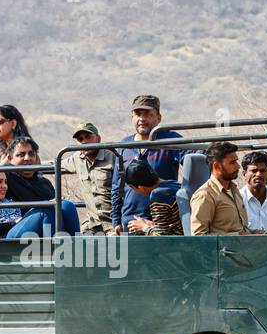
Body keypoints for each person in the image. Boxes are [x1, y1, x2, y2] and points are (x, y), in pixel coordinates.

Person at [0, 136, 80, 234]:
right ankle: (57, 253)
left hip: (32, 223)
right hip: (18, 227)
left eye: (31, 153)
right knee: (45, 211)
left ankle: (76, 247)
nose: (27, 158)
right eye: (21, 154)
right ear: (9, 158)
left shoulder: (44, 183)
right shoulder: (8, 175)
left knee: (66, 205)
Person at [110, 95, 185, 235]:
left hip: (161, 221)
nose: (142, 119)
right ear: (132, 117)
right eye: (138, 114)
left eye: (148, 114)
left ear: (158, 118)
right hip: (130, 221)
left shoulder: (169, 139)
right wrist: (116, 220)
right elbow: (116, 185)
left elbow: (195, 158)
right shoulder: (124, 145)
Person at [189, 141, 251, 236]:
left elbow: (240, 229)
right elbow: (199, 237)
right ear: (217, 166)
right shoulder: (205, 195)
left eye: (236, 161)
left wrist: (254, 233)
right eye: (232, 162)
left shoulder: (234, 190)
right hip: (226, 250)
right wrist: (238, 236)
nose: (238, 166)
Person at [70, 122, 114, 234]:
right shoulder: (77, 159)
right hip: (92, 222)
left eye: (88, 136)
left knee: (117, 248)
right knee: (78, 246)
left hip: (113, 221)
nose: (84, 141)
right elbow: (56, 164)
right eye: (80, 139)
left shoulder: (112, 157)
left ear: (98, 138)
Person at [123, 159, 182, 236]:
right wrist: (152, 224)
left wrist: (143, 227)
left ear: (141, 188)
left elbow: (161, 237)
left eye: (133, 188)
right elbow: (171, 224)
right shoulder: (173, 184)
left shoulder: (158, 196)